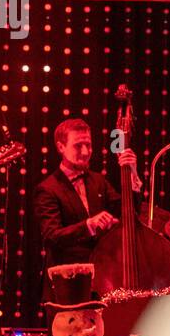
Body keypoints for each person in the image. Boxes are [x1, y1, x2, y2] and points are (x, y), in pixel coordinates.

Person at [33, 118, 139, 299]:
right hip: (67, 286)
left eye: (88, 145)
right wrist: (89, 225)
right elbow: (52, 236)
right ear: (60, 147)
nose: (85, 152)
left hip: (102, 281)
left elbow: (128, 215)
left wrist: (132, 176)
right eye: (78, 146)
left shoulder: (99, 181)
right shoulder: (47, 189)